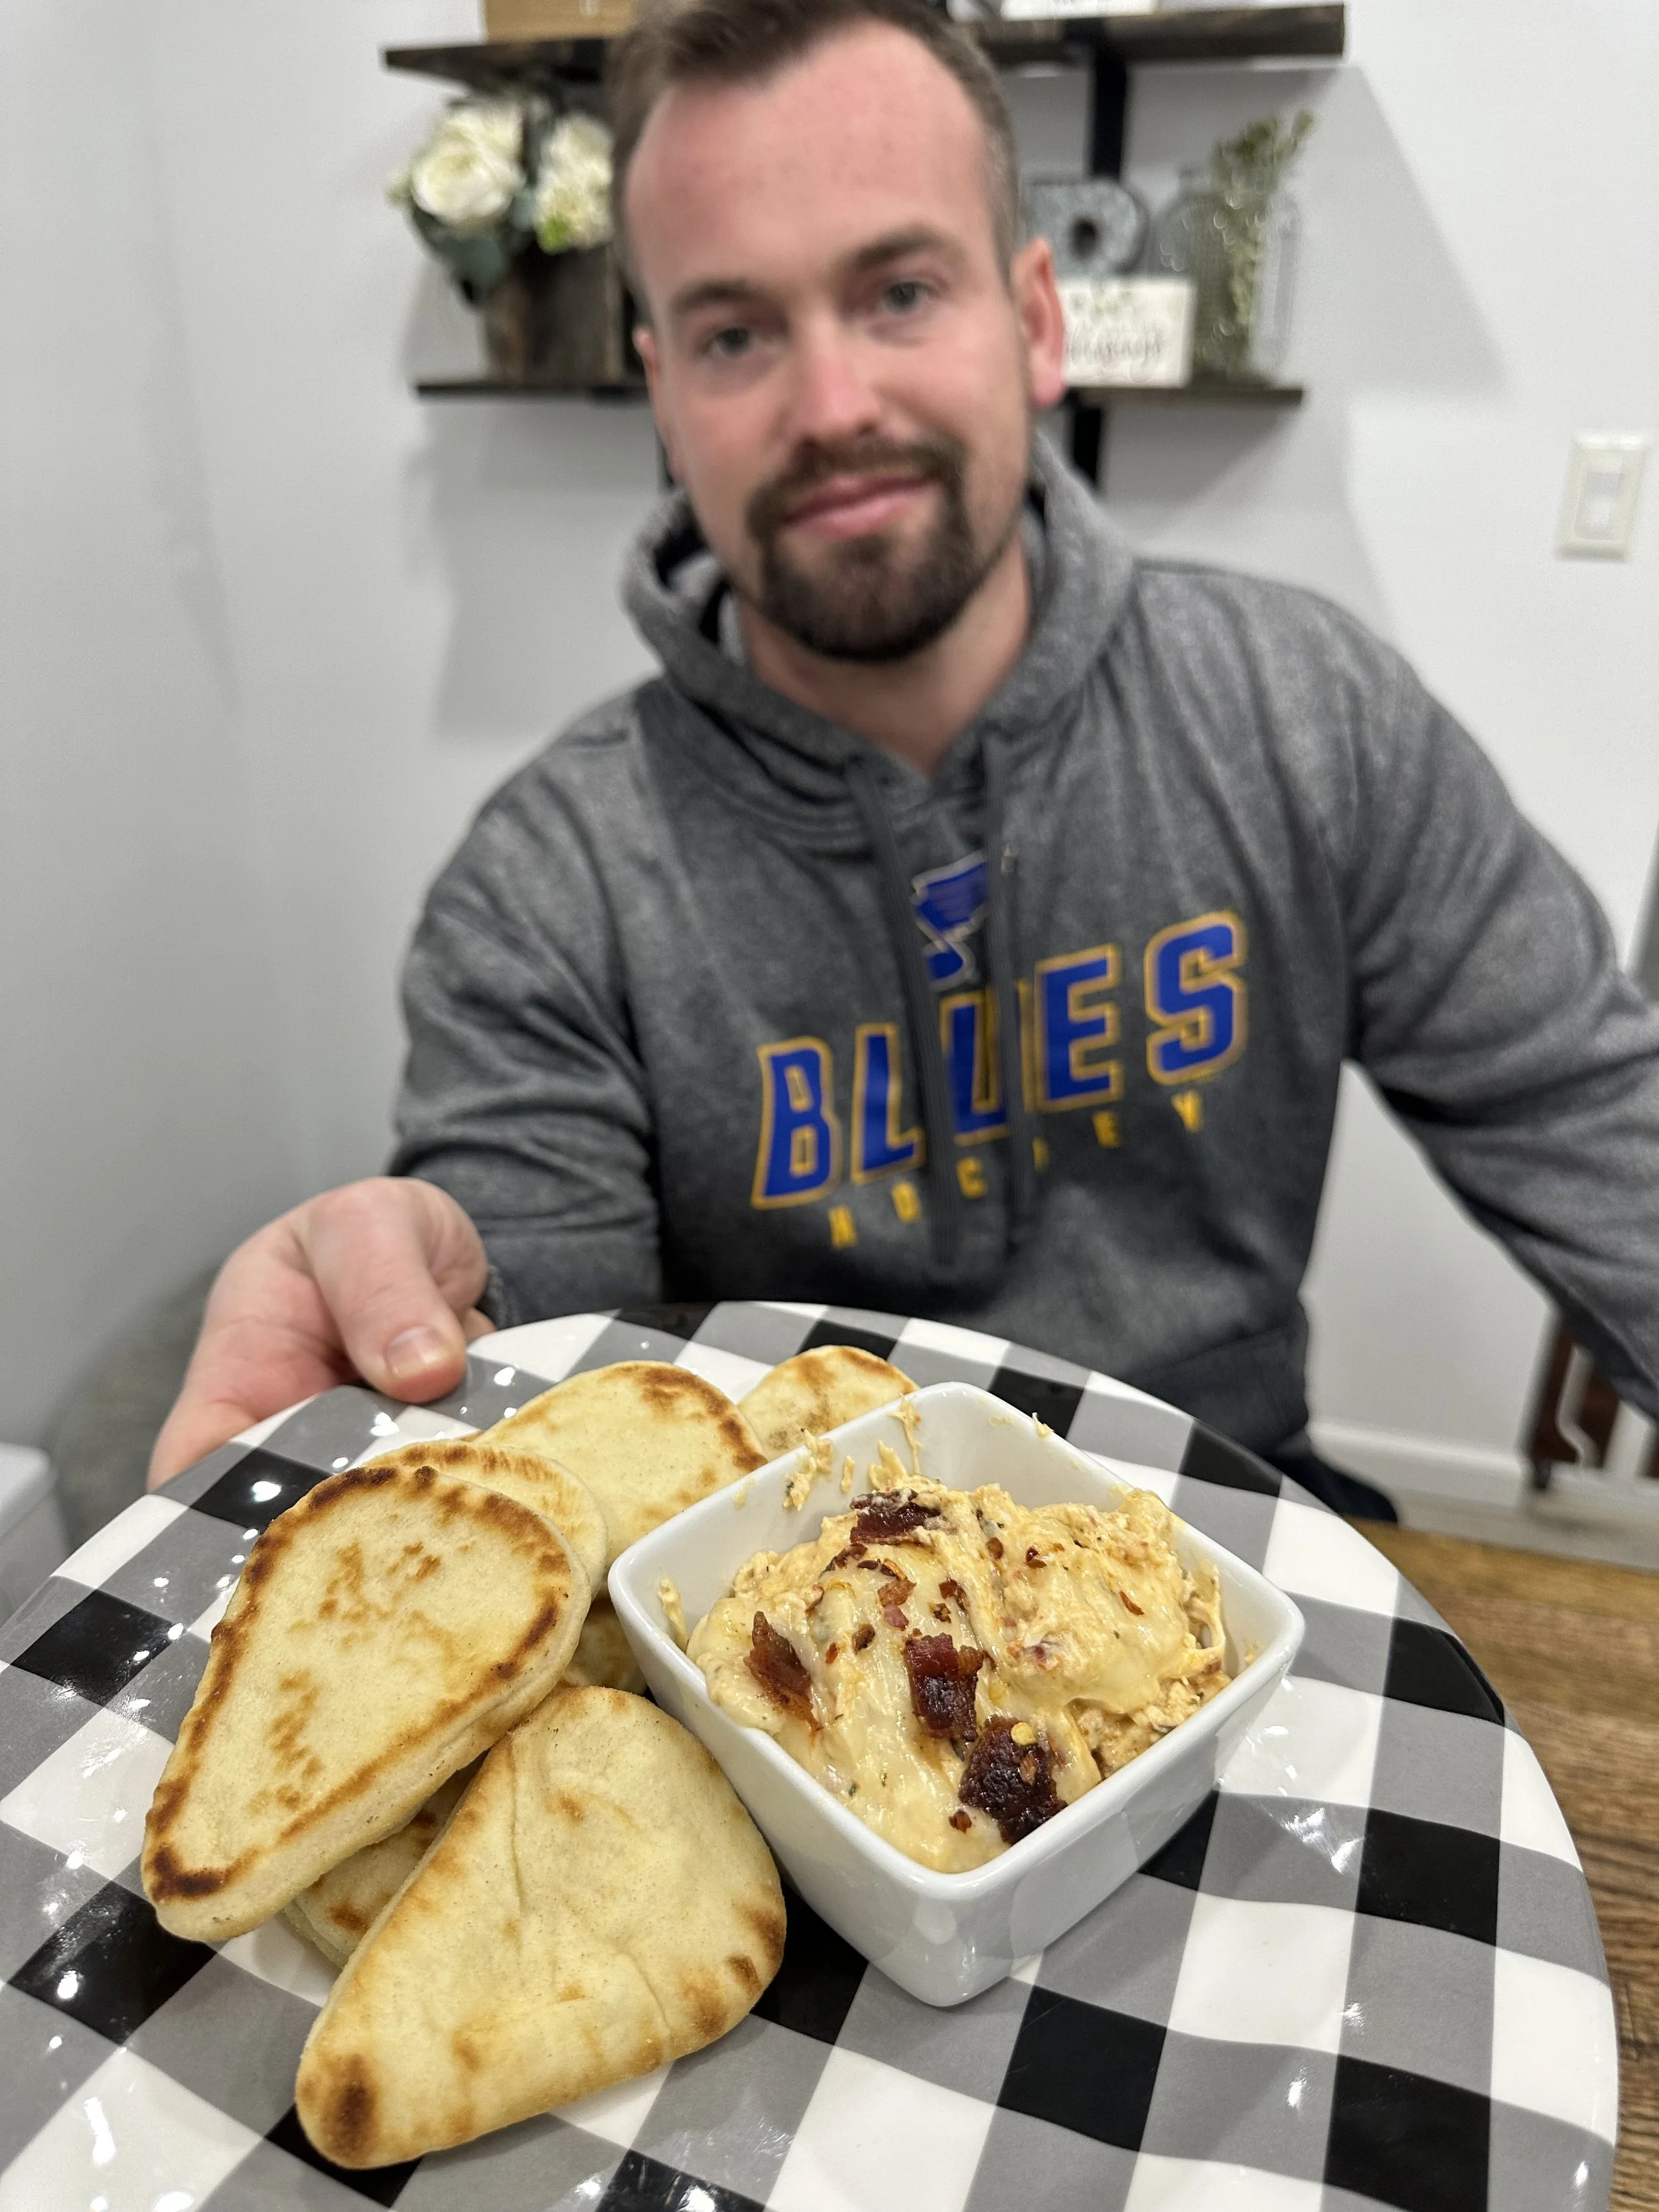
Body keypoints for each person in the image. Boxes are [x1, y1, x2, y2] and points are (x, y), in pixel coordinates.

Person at [149, 0, 1659, 1515]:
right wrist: (415, 1353)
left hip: (1249, 1530)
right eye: (736, 333)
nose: (832, 407)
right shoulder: (545, 883)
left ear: (1036, 320)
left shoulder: (1306, 714)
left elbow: (1599, 1135)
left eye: (900, 292)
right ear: (664, 393)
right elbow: (537, 1357)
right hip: (787, 1616)